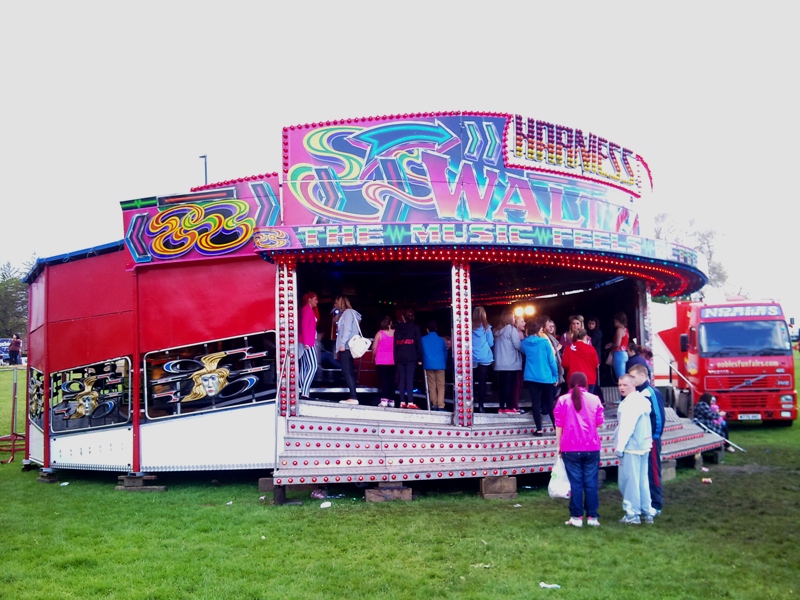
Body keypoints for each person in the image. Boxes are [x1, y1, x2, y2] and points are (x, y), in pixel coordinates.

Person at [554, 371, 605, 527]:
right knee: (591, 482)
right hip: (591, 446)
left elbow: (559, 425)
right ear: (586, 383)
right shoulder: (594, 399)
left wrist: (558, 445)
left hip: (570, 447)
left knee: (576, 483)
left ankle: (576, 517)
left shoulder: (562, 400)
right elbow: (600, 423)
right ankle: (592, 517)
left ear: (569, 384)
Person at [614, 374, 654, 524]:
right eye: (619, 385)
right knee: (642, 481)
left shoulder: (629, 404)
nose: (621, 388)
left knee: (629, 482)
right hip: (643, 445)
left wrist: (620, 447)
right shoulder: (642, 401)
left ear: (633, 385)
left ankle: (632, 514)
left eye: (624, 385)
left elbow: (627, 427)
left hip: (631, 447)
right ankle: (646, 511)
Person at [628, 363, 666, 516]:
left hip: (651, 439)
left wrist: (654, 437)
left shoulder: (651, 392)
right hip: (641, 440)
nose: (631, 380)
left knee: (653, 471)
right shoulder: (637, 392)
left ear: (643, 376)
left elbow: (658, 417)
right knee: (643, 472)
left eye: (633, 377)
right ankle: (646, 503)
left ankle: (656, 504)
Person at [521, 321, 558, 435]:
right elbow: (551, 361)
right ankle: (557, 429)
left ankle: (539, 429)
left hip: (531, 376)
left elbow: (524, 352)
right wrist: (555, 376)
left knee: (535, 403)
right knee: (550, 403)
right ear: (538, 331)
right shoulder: (544, 342)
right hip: (546, 376)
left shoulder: (524, 343)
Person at [334, 295, 362, 405]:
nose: (335, 305)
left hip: (346, 346)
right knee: (348, 371)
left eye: (336, 302)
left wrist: (341, 344)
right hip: (348, 346)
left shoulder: (348, 313)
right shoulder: (349, 313)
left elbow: (347, 330)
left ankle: (353, 396)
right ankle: (353, 395)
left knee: (347, 371)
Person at [493, 309, 522, 414]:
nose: (515, 318)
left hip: (499, 364)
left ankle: (502, 407)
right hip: (511, 363)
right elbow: (518, 346)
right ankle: (510, 407)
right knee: (511, 386)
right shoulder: (511, 330)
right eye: (514, 317)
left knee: (502, 387)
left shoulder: (497, 332)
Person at [394, 308, 422, 409]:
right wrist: (420, 358)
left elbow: (395, 344)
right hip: (411, 355)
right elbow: (418, 343)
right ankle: (410, 402)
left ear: (403, 317)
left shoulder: (397, 329)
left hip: (399, 355)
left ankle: (402, 402)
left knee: (402, 379)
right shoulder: (415, 328)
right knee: (409, 378)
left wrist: (395, 357)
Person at [561, 329, 600, 394]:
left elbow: (565, 364)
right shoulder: (591, 349)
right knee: (588, 402)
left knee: (574, 402)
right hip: (589, 379)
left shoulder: (568, 349)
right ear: (585, 337)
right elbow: (596, 364)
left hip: (573, 379)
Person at [421, 320, 448, 411]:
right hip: (440, 364)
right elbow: (445, 353)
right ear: (436, 329)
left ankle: (434, 404)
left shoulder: (423, 339)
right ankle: (441, 405)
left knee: (432, 385)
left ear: (427, 329)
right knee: (441, 386)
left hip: (428, 364)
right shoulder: (441, 340)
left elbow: (420, 352)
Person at [471, 306, 494, 413]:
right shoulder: (487, 327)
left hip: (472, 356)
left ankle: (469, 404)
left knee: (471, 381)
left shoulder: (469, 327)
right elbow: (491, 342)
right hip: (484, 356)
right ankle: (481, 406)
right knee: (482, 381)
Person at [298, 293, 320, 399]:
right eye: (315, 299)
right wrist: (307, 342)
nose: (317, 301)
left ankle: (303, 390)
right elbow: (304, 326)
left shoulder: (306, 309)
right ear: (309, 299)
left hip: (305, 341)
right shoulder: (307, 310)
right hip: (307, 342)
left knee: (305, 367)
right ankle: (305, 392)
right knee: (313, 366)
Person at [371, 316, 396, 407]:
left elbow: (374, 346)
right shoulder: (395, 333)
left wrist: (373, 356)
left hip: (381, 360)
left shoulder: (379, 333)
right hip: (392, 360)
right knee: (391, 380)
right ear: (390, 323)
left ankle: (384, 400)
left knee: (383, 380)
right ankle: (391, 400)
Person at [605, 312, 630, 380]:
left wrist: (611, 345)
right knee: (623, 375)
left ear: (617, 320)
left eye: (615, 320)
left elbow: (617, 344)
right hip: (624, 353)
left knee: (620, 378)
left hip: (619, 354)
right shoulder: (625, 330)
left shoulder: (619, 330)